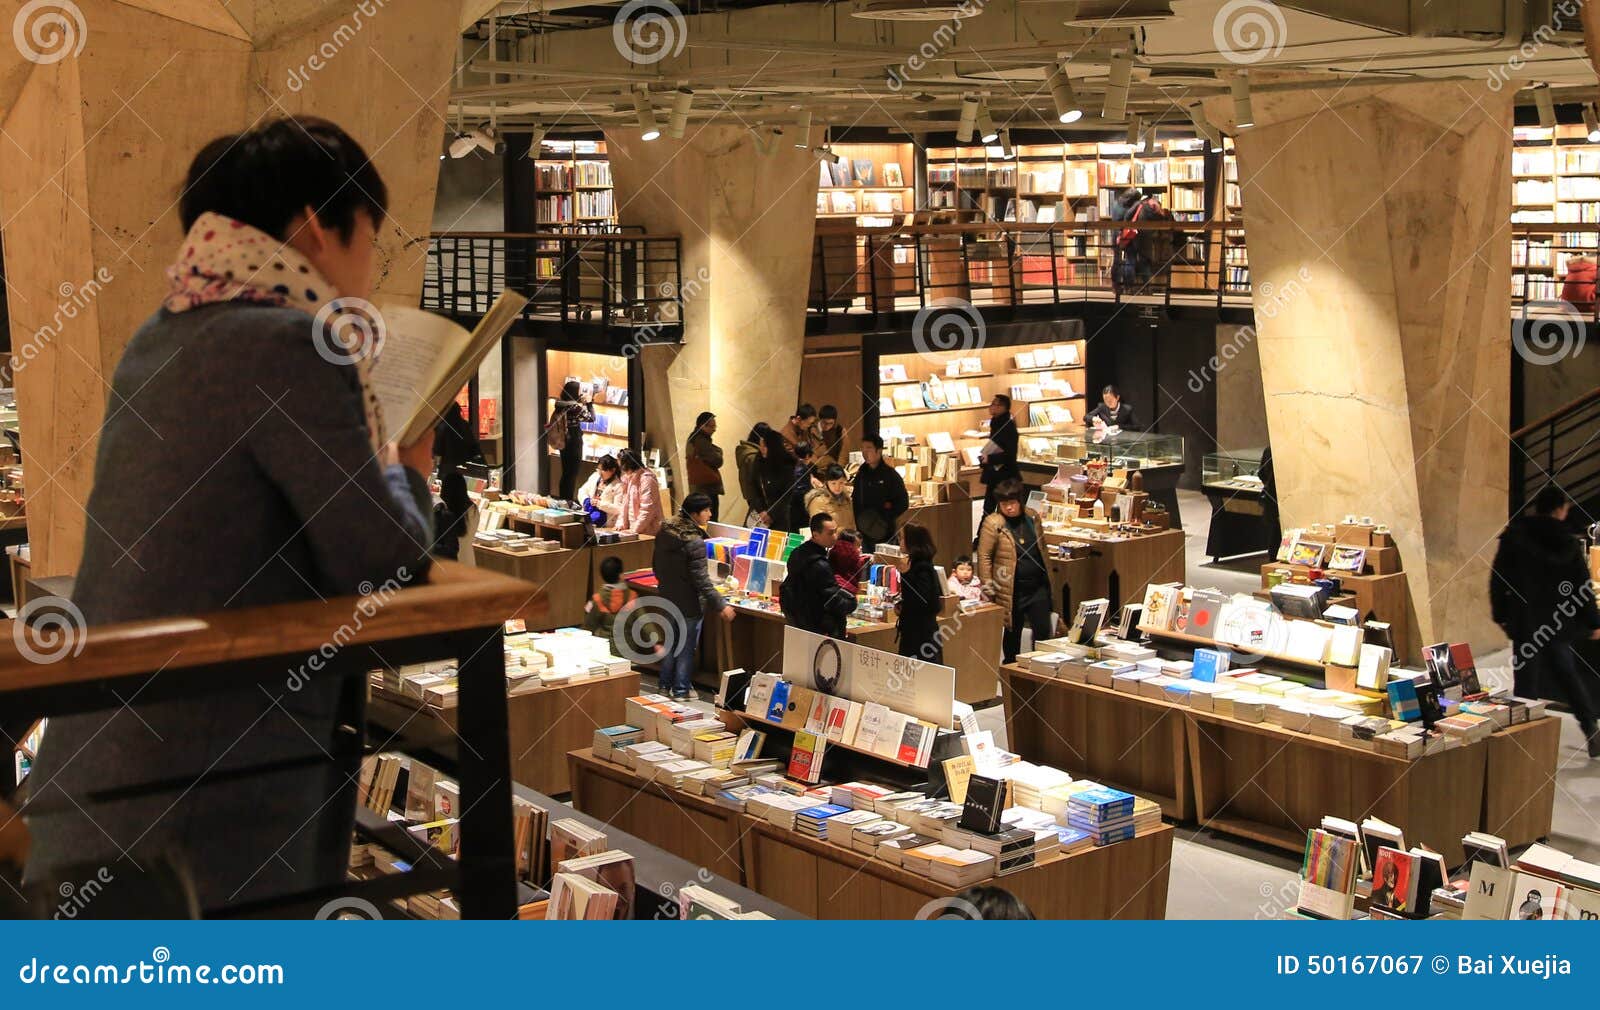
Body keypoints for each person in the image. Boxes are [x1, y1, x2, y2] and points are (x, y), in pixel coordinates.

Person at [23, 117, 436, 910]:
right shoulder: (291, 344)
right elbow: (381, 556)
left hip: (98, 795)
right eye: (369, 240)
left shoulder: (163, 335)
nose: (370, 269)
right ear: (318, 227)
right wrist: (409, 476)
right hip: (199, 820)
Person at [1490, 485, 1600, 758]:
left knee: (1526, 683)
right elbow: (1582, 587)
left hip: (1525, 621)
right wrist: (1593, 621)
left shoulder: (1515, 536)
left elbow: (1497, 578)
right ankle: (1590, 728)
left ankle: (1525, 743)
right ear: (1560, 509)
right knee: (1568, 676)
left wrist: (1501, 614)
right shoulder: (1568, 542)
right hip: (1557, 622)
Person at [652, 493, 735, 700]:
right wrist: (721, 604)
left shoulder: (664, 531)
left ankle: (664, 686)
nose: (710, 514)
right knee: (687, 647)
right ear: (695, 514)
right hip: (689, 602)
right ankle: (681, 690)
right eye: (706, 510)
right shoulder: (695, 541)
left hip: (667, 596)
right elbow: (701, 580)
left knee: (671, 643)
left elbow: (656, 565)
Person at [978, 479, 1054, 663]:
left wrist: (1049, 577)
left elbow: (1042, 548)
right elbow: (984, 556)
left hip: (1037, 586)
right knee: (1013, 633)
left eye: (1012, 503)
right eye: (1004, 504)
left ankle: (1041, 667)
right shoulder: (993, 522)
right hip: (1011, 589)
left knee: (1043, 630)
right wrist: (988, 584)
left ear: (1020, 501)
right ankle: (1011, 671)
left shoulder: (1032, 517)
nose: (1009, 508)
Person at [779, 512, 857, 639]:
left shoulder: (797, 553)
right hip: (818, 628)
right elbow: (832, 600)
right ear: (816, 535)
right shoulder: (819, 565)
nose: (835, 537)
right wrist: (851, 603)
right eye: (830, 533)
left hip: (799, 623)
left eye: (836, 531)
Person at [432, 400, 484, 560]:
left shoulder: (442, 428)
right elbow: (474, 448)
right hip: (463, 470)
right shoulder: (464, 425)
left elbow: (436, 451)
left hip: (446, 470)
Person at [893, 522, 945, 664]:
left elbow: (923, 600)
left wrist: (905, 575)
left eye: (902, 538)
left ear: (912, 541)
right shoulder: (916, 563)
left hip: (921, 636)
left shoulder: (922, 567)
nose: (900, 541)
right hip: (915, 632)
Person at [852, 435, 909, 552]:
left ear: (879, 450)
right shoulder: (861, 474)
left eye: (868, 448)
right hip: (862, 533)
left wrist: (886, 517)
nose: (864, 452)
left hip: (884, 533)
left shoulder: (890, 475)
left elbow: (903, 502)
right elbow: (856, 501)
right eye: (862, 448)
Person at [549, 379, 594, 501]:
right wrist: (589, 403)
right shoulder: (574, 407)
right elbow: (591, 418)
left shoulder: (560, 404)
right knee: (572, 473)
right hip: (573, 441)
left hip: (564, 441)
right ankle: (567, 501)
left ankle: (563, 500)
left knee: (566, 473)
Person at [979, 394, 1020, 518]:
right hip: (995, 473)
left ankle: (984, 536)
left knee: (1003, 510)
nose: (991, 407)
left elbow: (1010, 454)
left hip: (1004, 475)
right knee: (989, 510)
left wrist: (990, 458)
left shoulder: (1008, 426)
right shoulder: (996, 423)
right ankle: (983, 536)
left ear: (1003, 407)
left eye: (994, 404)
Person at [757, 426, 801, 531]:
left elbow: (786, 496)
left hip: (779, 516)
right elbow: (754, 487)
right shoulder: (758, 461)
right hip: (759, 514)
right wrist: (761, 510)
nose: (760, 448)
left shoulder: (787, 466)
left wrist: (771, 514)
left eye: (763, 446)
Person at [685, 410, 724, 523]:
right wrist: (719, 452)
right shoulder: (700, 440)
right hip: (706, 487)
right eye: (711, 426)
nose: (714, 429)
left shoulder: (695, 438)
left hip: (700, 486)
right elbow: (717, 460)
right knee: (710, 519)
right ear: (702, 426)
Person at [617, 449, 663, 535]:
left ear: (627, 465)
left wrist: (635, 529)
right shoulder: (628, 478)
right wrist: (621, 523)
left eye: (621, 466)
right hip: (633, 530)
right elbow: (624, 505)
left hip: (649, 531)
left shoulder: (647, 479)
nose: (621, 470)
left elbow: (647, 509)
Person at [735, 423, 773, 525]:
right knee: (752, 534)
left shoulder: (749, 453)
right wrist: (761, 510)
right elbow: (752, 485)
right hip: (759, 505)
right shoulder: (753, 457)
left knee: (751, 532)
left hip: (757, 503)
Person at [804, 463, 856, 534]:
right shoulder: (818, 501)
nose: (837, 487)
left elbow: (853, 524)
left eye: (841, 483)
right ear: (827, 482)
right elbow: (820, 529)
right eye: (833, 483)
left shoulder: (847, 500)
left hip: (849, 542)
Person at [577, 453, 625, 528]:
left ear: (613, 470)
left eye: (603, 470)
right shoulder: (595, 476)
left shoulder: (619, 485)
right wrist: (586, 500)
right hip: (588, 515)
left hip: (605, 522)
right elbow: (582, 490)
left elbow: (618, 509)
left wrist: (599, 504)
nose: (600, 472)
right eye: (599, 469)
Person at [814, 404, 845, 468]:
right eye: (825, 423)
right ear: (820, 419)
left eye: (831, 423)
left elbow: (843, 452)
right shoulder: (811, 429)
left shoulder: (839, 430)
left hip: (832, 468)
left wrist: (839, 468)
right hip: (814, 466)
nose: (827, 426)